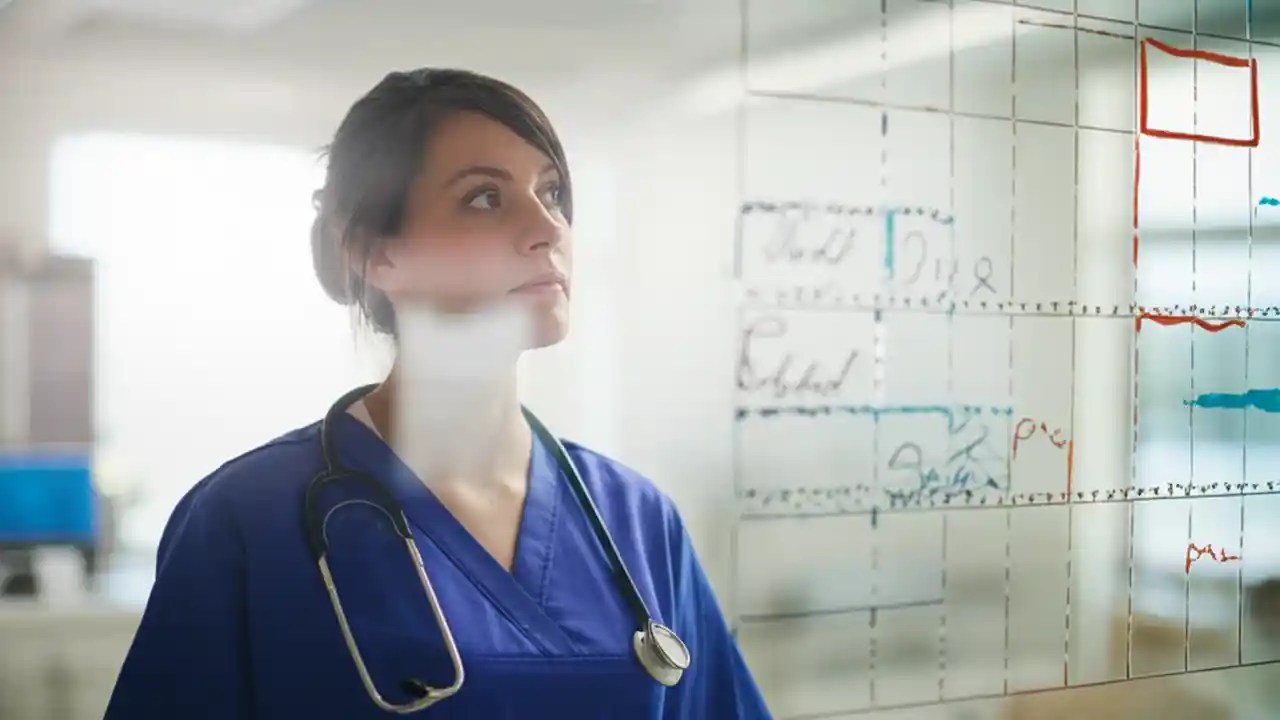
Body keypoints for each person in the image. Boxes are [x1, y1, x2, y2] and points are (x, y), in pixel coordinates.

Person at [104, 68, 771, 719]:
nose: (548, 229)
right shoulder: (248, 522)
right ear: (376, 254)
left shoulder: (638, 521)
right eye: (485, 197)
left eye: (553, 193)